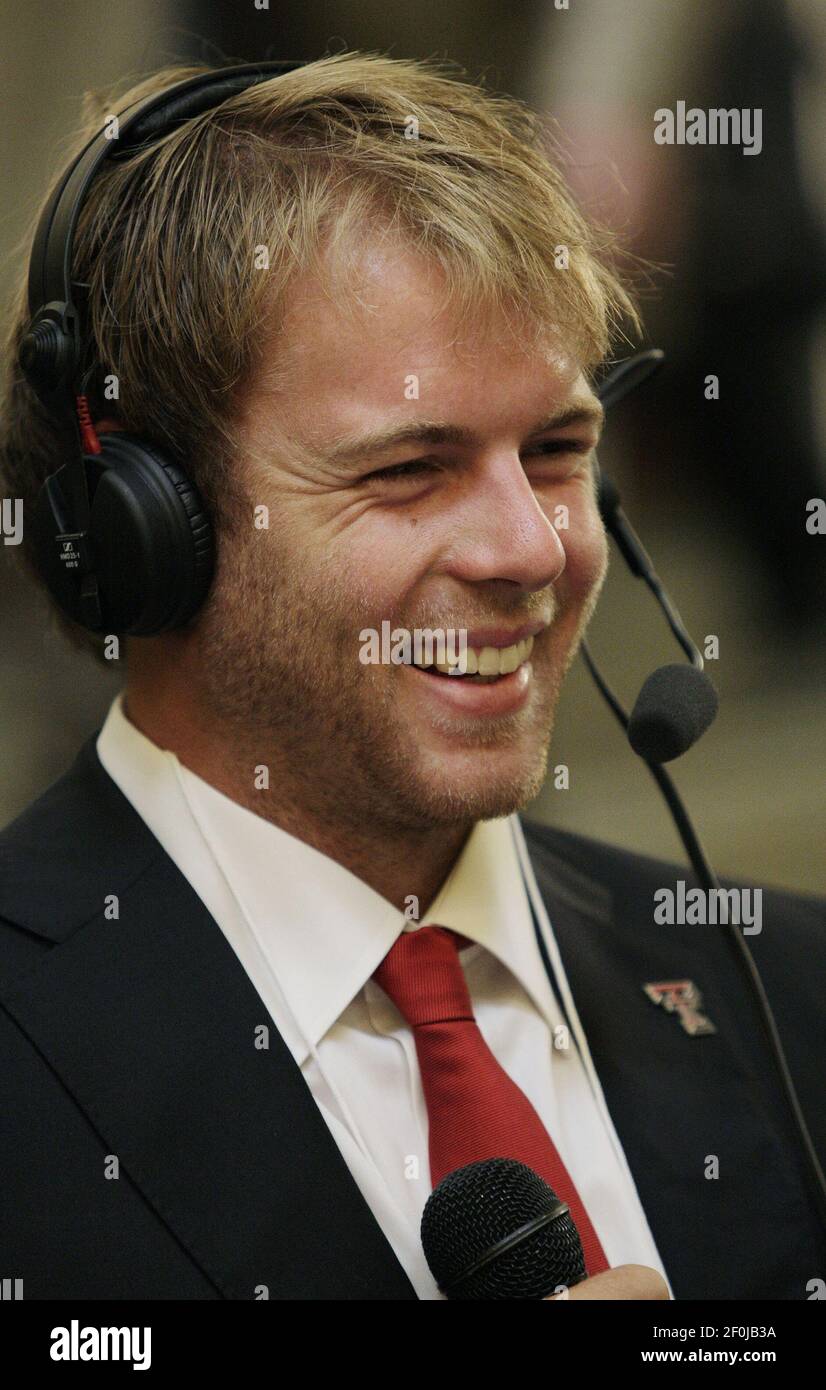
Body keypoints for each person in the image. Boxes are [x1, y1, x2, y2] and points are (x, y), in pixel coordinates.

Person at [0, 51, 823, 1302]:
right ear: (140, 529)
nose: (530, 547)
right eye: (407, 470)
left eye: (557, 450)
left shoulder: (793, 992)